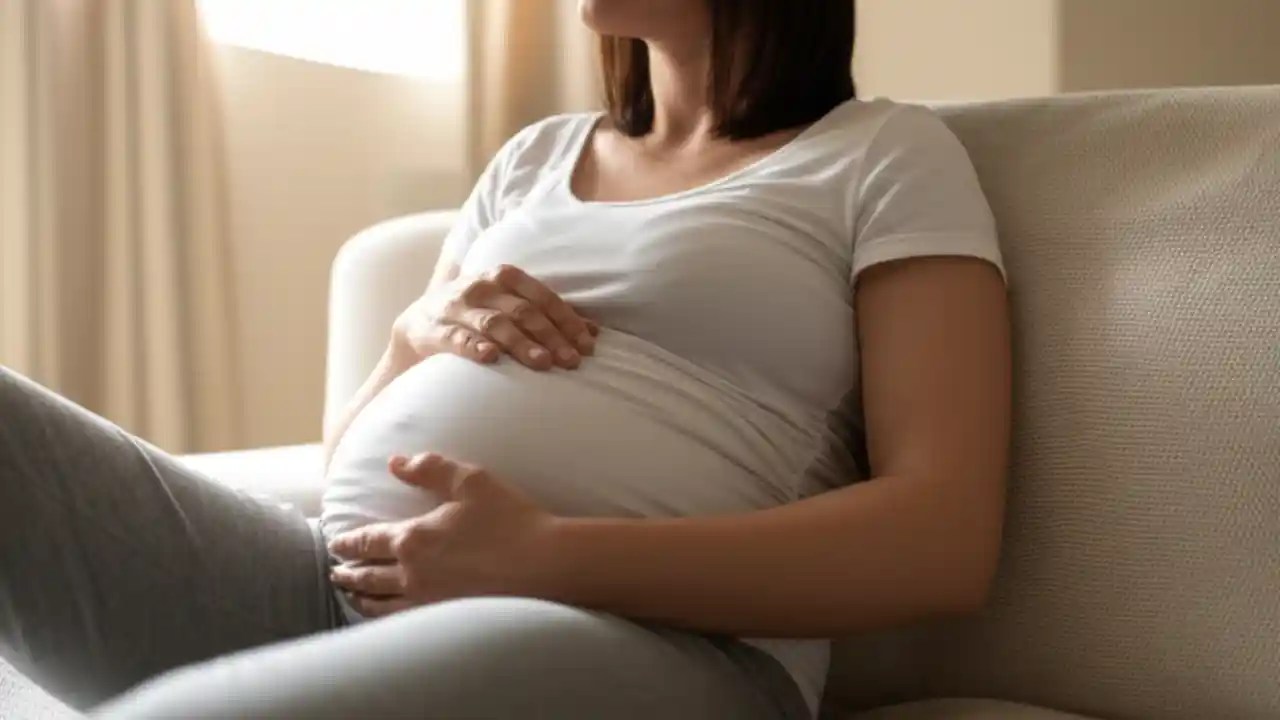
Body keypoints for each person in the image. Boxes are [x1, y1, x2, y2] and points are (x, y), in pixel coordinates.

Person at [0, 1, 1010, 717]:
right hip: (336, 585)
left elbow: (940, 536)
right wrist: (411, 337)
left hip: (661, 648)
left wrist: (545, 557)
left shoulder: (881, 156)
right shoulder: (531, 158)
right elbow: (349, 458)